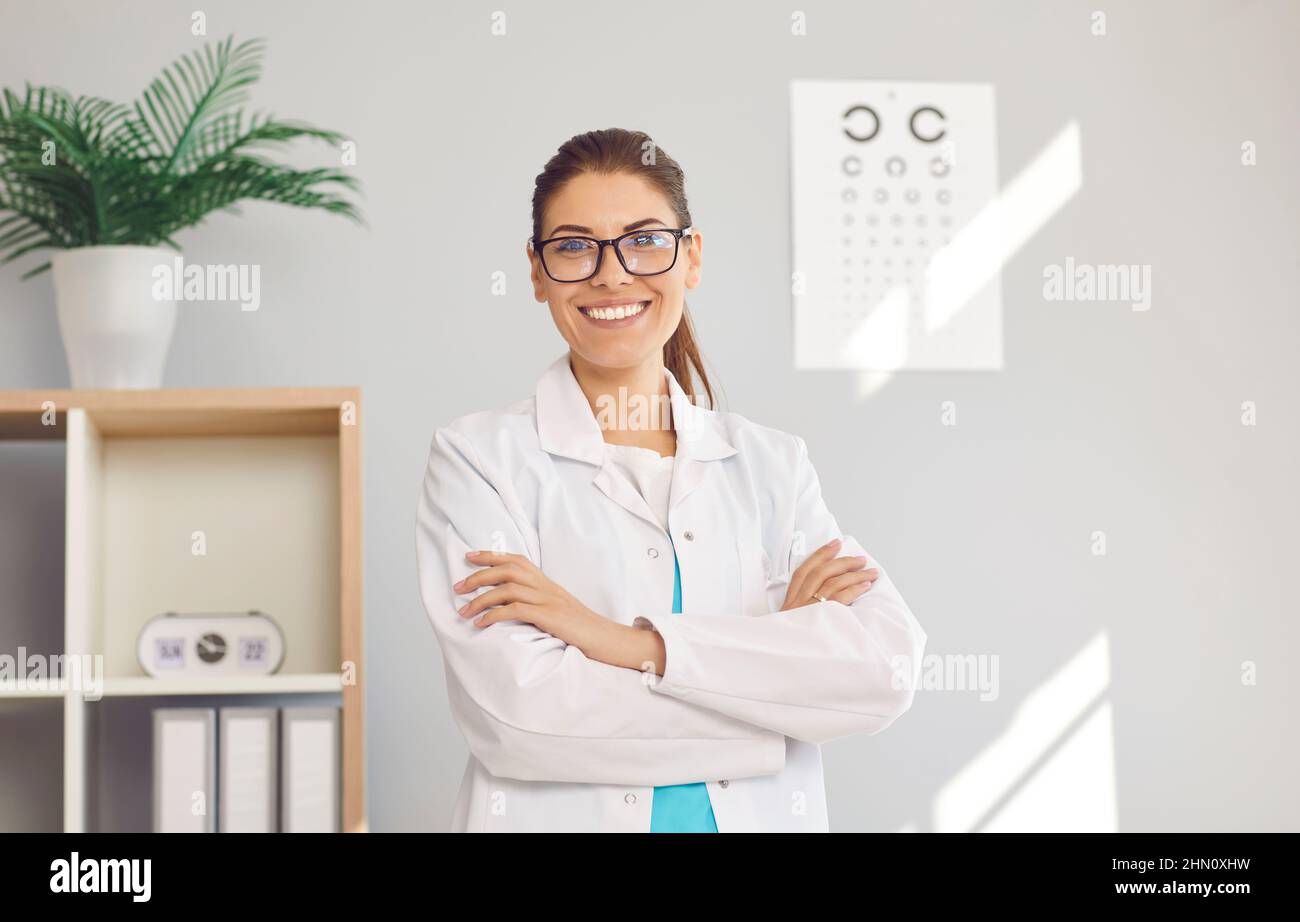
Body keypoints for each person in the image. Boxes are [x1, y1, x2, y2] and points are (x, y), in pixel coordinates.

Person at [415, 127, 927, 832]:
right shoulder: (480, 458)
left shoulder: (772, 464)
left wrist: (618, 642)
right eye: (573, 247)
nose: (612, 274)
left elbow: (881, 673)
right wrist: (776, 700)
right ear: (535, 272)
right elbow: (523, 718)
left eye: (644, 240)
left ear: (691, 256)